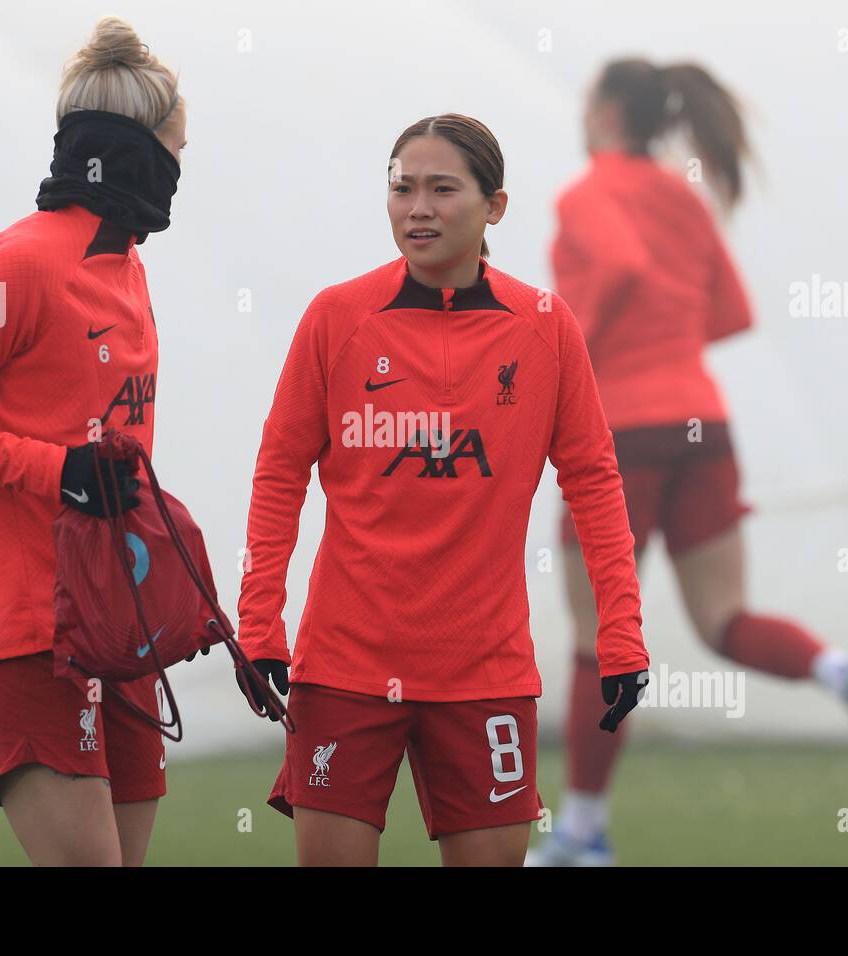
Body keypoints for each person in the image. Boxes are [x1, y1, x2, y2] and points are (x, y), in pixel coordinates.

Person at [235, 113, 650, 867]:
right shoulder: (336, 318)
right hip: (343, 671)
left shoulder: (547, 329)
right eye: (401, 188)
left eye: (441, 189)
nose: (416, 208)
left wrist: (620, 635)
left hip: (484, 675)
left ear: (495, 207)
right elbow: (279, 472)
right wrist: (261, 625)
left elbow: (593, 483)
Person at [526, 59, 848, 868]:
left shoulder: (588, 192)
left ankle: (584, 836)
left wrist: (565, 357)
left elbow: (622, 265)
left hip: (622, 437)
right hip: (703, 426)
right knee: (723, 621)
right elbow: (732, 312)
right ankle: (838, 670)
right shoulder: (683, 197)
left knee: (597, 641)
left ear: (603, 111)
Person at [0, 17, 187, 866]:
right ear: (140, 151)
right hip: (23, 628)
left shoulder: (128, 267)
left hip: (112, 623)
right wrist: (60, 472)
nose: (182, 171)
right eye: (177, 148)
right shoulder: (19, 261)